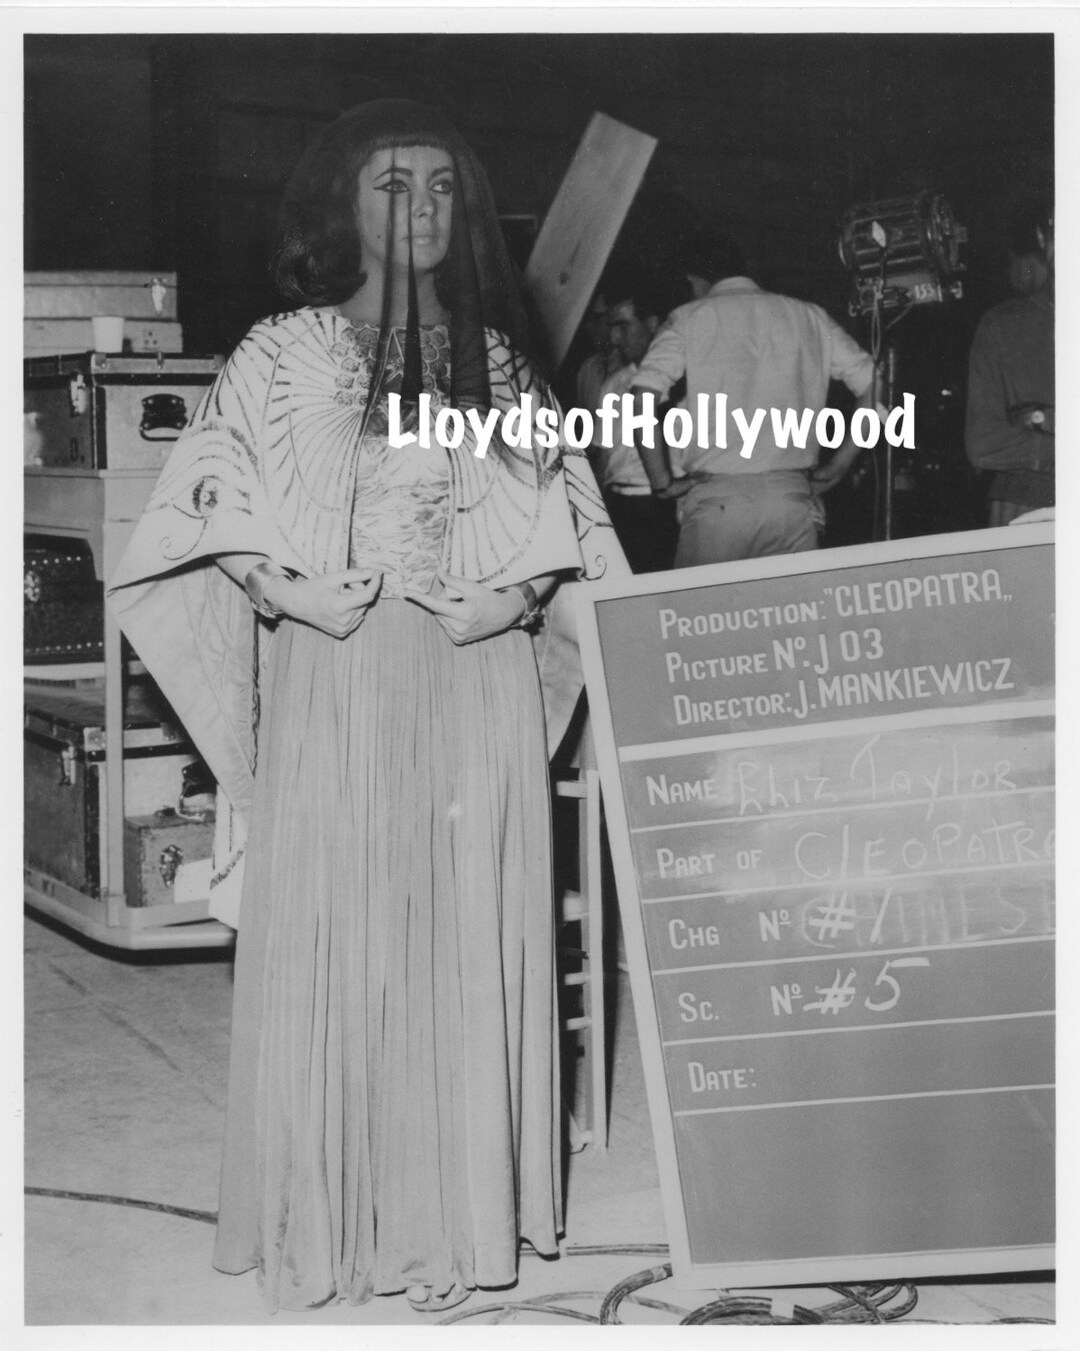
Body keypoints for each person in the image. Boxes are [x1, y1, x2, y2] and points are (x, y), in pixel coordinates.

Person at [108, 99, 624, 1315]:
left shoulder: (498, 363)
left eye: (443, 187)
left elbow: (571, 529)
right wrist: (278, 584)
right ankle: (334, 1221)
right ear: (343, 205)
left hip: (475, 677)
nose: (424, 209)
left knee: (465, 929)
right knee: (341, 930)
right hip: (336, 673)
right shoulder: (282, 350)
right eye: (394, 186)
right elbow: (204, 507)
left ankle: (454, 1224)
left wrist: (516, 600)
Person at [628, 231, 875, 567]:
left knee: (703, 617)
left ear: (694, 279)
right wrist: (841, 462)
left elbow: (641, 401)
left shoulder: (688, 318)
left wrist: (662, 483)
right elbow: (874, 385)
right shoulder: (810, 316)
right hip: (794, 501)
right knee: (793, 614)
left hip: (719, 506)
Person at [965, 205, 1054, 525]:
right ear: (1045, 238)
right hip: (1027, 507)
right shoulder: (1003, 325)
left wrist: (1039, 419)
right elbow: (983, 445)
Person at [586, 275, 679, 572]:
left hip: (661, 504)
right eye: (612, 328)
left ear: (652, 324)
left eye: (624, 327)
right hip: (620, 507)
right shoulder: (616, 383)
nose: (615, 338)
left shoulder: (681, 382)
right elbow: (603, 452)